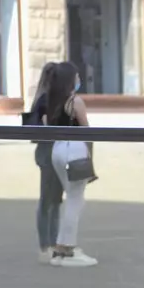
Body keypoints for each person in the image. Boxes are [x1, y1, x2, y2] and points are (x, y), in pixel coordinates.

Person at [35, 62, 97, 267]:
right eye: (77, 76)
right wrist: (90, 157)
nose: (79, 79)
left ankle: (61, 245)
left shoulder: (52, 100)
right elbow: (87, 130)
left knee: (72, 198)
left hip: (57, 151)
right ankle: (66, 248)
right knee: (75, 200)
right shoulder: (75, 101)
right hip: (74, 149)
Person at [23, 62, 63, 264]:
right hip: (49, 153)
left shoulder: (42, 97)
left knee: (53, 201)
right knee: (49, 201)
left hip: (48, 152)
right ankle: (46, 245)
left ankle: (52, 244)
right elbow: (51, 127)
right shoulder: (46, 99)